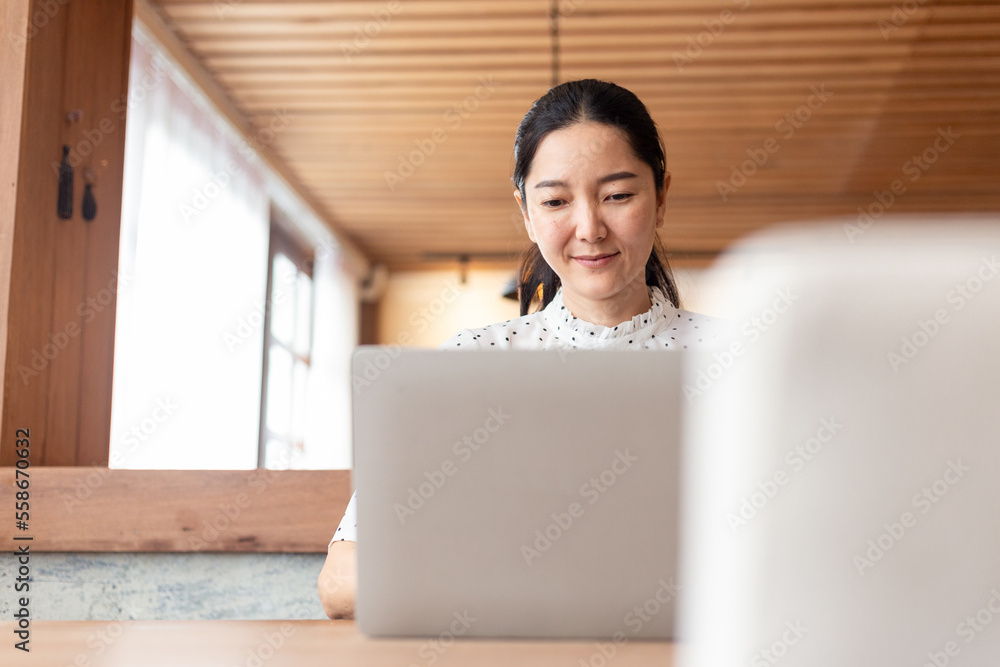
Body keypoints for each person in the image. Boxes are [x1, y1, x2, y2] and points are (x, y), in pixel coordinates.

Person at [318, 78, 720, 620]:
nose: (589, 228)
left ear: (662, 195)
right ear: (527, 213)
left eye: (618, 195)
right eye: (555, 201)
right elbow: (341, 582)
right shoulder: (472, 362)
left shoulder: (743, 360)